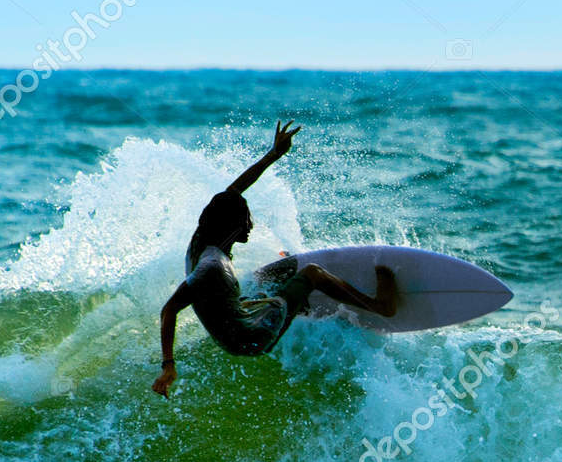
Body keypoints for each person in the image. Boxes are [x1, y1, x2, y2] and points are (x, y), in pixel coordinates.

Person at [152, 122, 397, 397]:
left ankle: (296, 303)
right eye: (247, 219)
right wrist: (168, 366)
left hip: (235, 322)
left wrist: (274, 154)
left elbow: (232, 193)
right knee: (313, 272)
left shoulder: (206, 233)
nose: (251, 224)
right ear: (235, 225)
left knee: (273, 273)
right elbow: (170, 309)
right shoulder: (212, 266)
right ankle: (379, 306)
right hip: (253, 338)